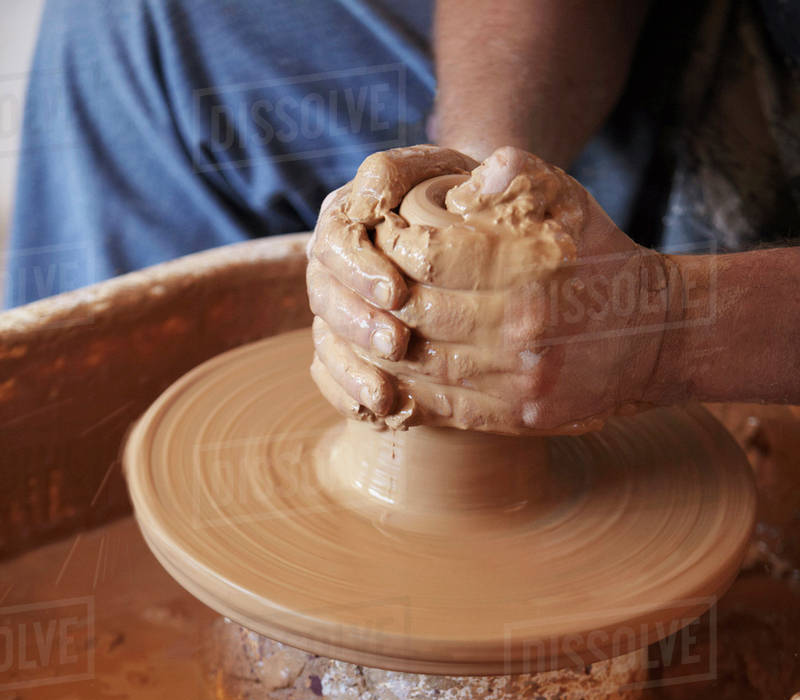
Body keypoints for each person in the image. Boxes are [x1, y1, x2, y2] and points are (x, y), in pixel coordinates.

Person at [6, 0, 799, 431]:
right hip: (714, 48)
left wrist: (662, 331)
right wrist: (480, 190)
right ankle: (84, 481)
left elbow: (665, 329)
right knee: (140, 26)